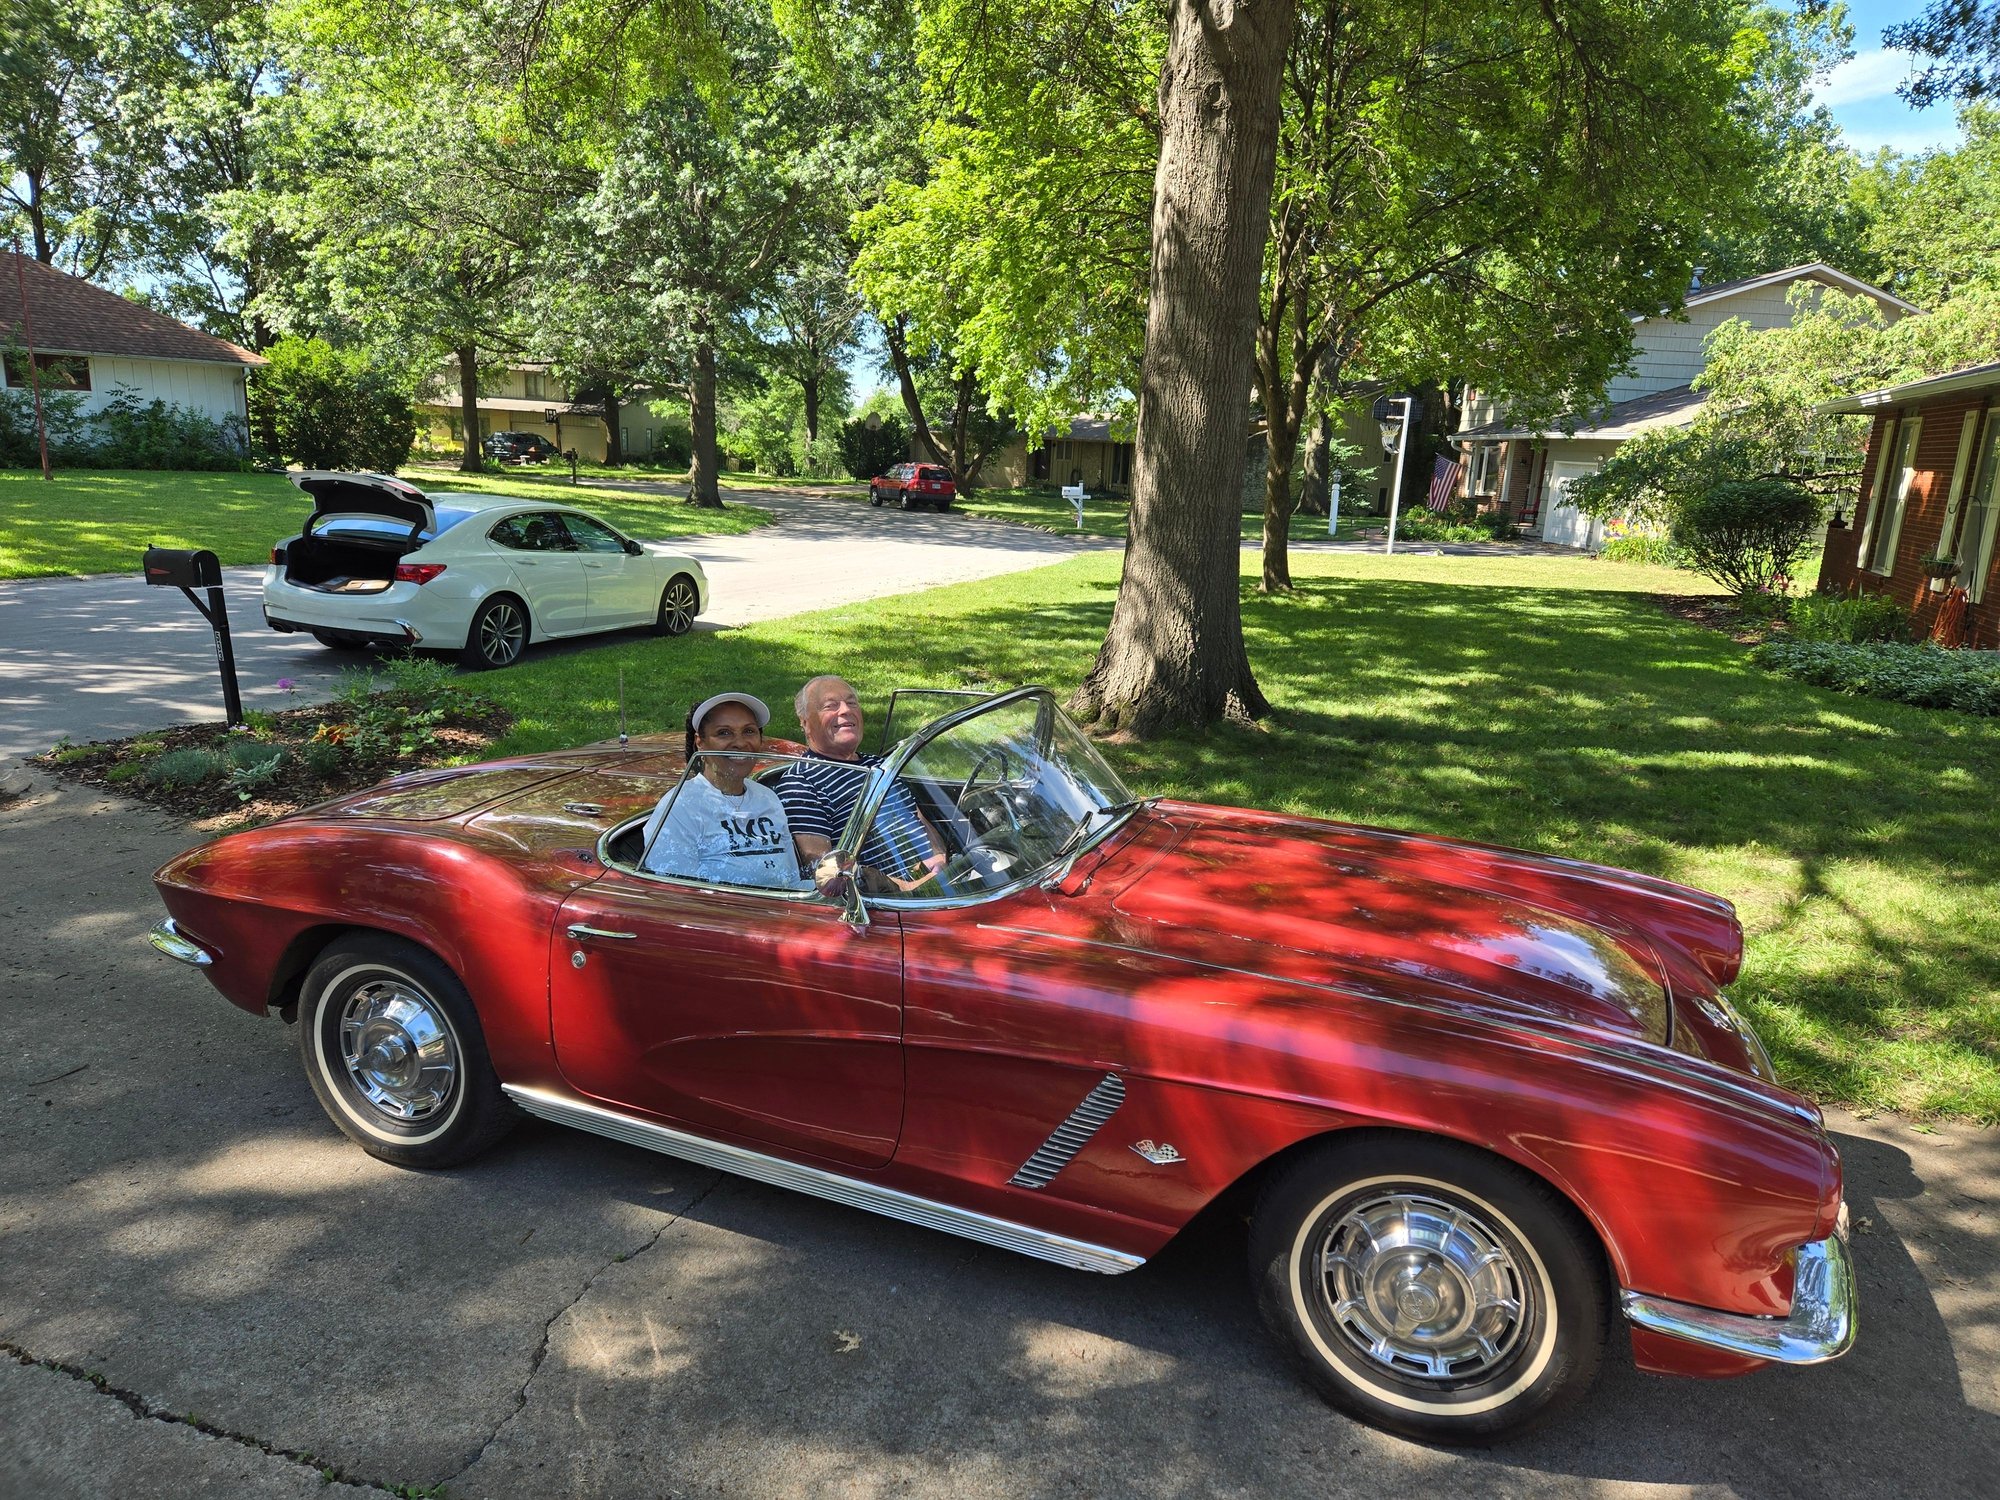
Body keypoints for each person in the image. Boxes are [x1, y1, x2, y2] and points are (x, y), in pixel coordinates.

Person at [778, 674, 947, 892]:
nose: (845, 710)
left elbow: (917, 819)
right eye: (830, 706)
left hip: (939, 883)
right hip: (890, 904)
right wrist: (907, 887)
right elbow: (825, 871)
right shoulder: (801, 782)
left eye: (851, 703)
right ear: (805, 723)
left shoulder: (882, 765)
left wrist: (939, 857)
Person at [638, 692, 808, 890]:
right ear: (700, 743)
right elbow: (677, 893)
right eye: (724, 733)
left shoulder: (767, 798)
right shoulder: (681, 805)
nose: (740, 742)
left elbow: (792, 880)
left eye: (749, 731)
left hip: (784, 914)